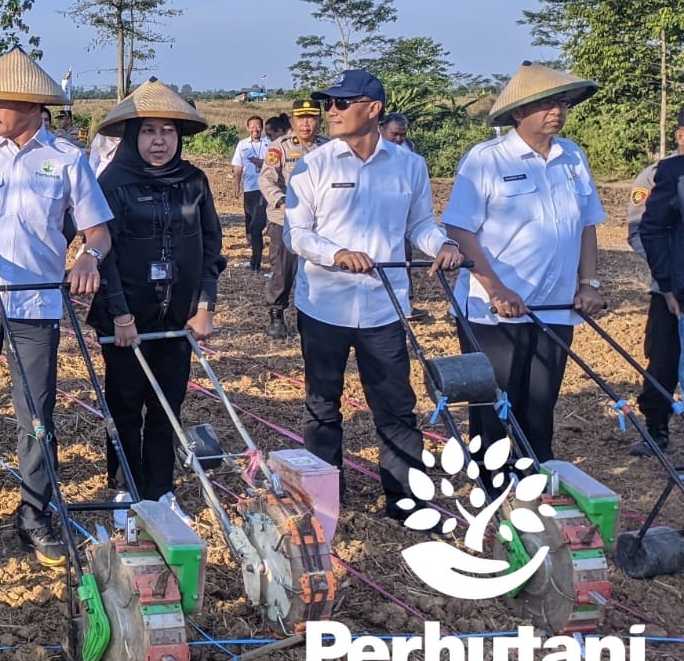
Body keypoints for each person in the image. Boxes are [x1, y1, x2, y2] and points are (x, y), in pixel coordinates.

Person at [0, 47, 112, 564]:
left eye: (3, 101)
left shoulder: (67, 158)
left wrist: (88, 256)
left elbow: (98, 230)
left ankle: (34, 512)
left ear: (35, 106)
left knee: (36, 417)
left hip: (37, 306)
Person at [285, 70, 462, 518]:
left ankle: (406, 502)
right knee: (322, 405)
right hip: (324, 305)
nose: (332, 111)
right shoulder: (314, 165)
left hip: (385, 308)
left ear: (373, 109)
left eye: (343, 103)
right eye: (330, 103)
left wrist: (441, 244)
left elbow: (418, 224)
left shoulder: (409, 165)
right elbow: (297, 235)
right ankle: (323, 503)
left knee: (396, 406)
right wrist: (337, 253)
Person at [445, 62, 606, 462]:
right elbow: (460, 230)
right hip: (493, 313)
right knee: (494, 411)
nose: (558, 111)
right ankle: (491, 492)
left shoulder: (572, 157)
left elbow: (587, 224)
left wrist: (589, 284)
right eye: (548, 103)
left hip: (555, 308)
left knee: (540, 407)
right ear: (519, 112)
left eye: (563, 102)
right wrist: (496, 288)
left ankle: (535, 487)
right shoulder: (487, 159)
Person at [90, 81, 222, 503]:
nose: (159, 140)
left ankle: (161, 489)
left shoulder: (193, 182)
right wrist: (120, 315)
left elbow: (211, 247)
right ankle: (125, 483)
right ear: (133, 136)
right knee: (126, 404)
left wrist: (204, 304)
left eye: (168, 131)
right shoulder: (113, 182)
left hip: (177, 316)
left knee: (167, 405)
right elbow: (103, 253)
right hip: (126, 314)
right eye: (149, 131)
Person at [628, 111, 684, 455]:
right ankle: (656, 431)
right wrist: (667, 277)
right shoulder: (655, 175)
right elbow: (640, 231)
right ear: (680, 134)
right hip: (668, 289)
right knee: (663, 360)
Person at [259, 99, 322, 339]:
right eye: (301, 118)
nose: (306, 124)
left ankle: (314, 316)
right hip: (285, 220)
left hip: (319, 221)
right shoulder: (280, 147)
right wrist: (282, 201)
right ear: (293, 122)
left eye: (312, 118)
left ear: (319, 121)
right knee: (283, 270)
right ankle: (276, 314)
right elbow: (266, 179)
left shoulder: (328, 147)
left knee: (319, 269)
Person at [230, 114, 268, 271]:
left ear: (262, 127)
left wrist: (262, 163)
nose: (255, 129)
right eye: (252, 126)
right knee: (250, 222)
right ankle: (255, 252)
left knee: (256, 226)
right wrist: (237, 186)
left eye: (257, 126)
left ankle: (256, 261)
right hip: (249, 189)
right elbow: (238, 167)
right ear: (247, 128)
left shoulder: (269, 143)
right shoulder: (242, 144)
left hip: (265, 189)